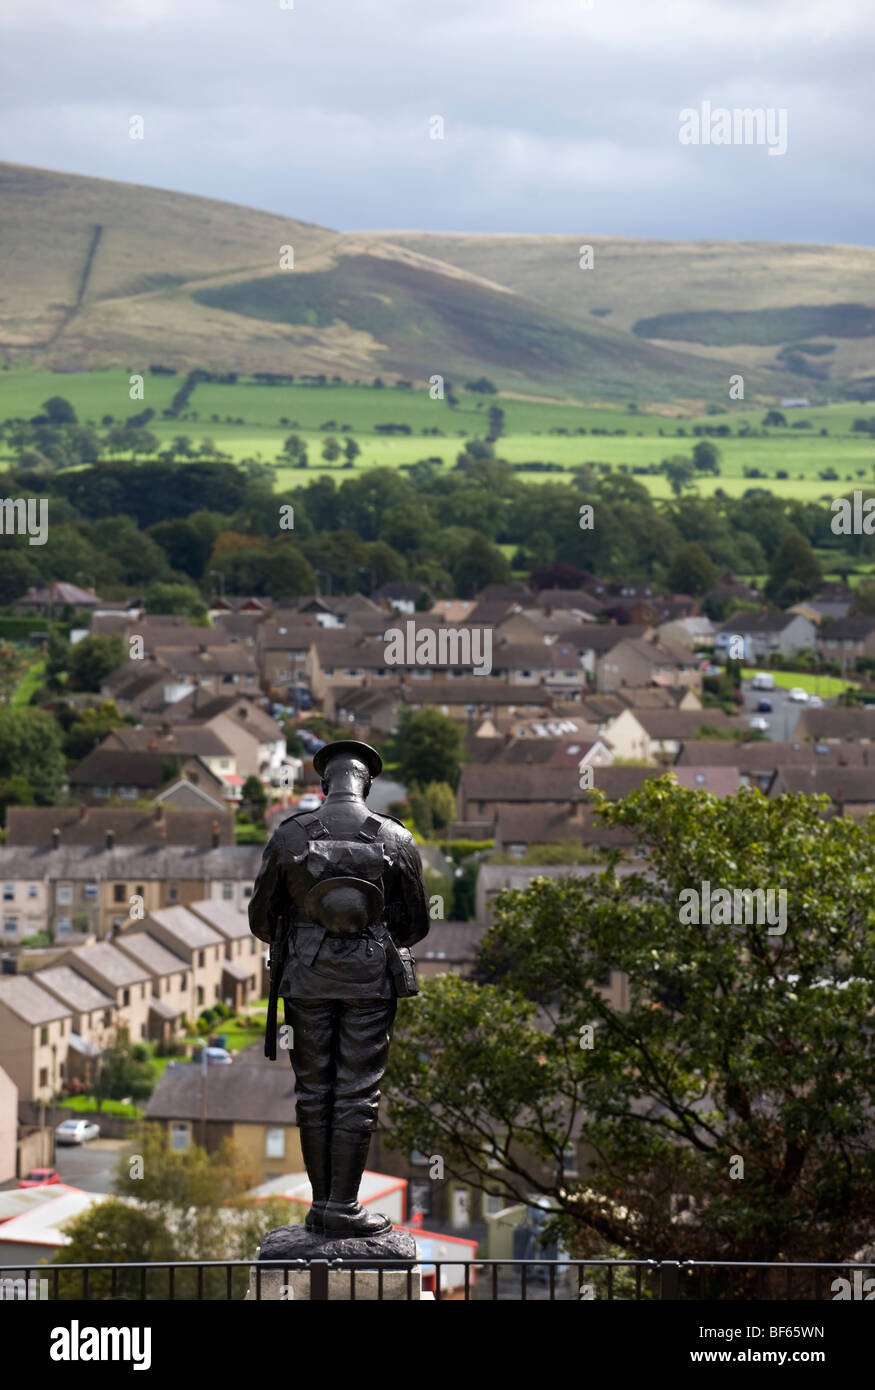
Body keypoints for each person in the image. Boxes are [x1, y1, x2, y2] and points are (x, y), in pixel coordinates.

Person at [249, 740, 430, 1237]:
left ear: (324, 783)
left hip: (306, 975)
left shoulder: (290, 837)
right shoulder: (396, 839)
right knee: (357, 1091)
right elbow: (415, 924)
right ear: (365, 782)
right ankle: (343, 1208)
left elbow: (261, 919)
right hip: (370, 979)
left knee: (313, 1091)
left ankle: (323, 1208)